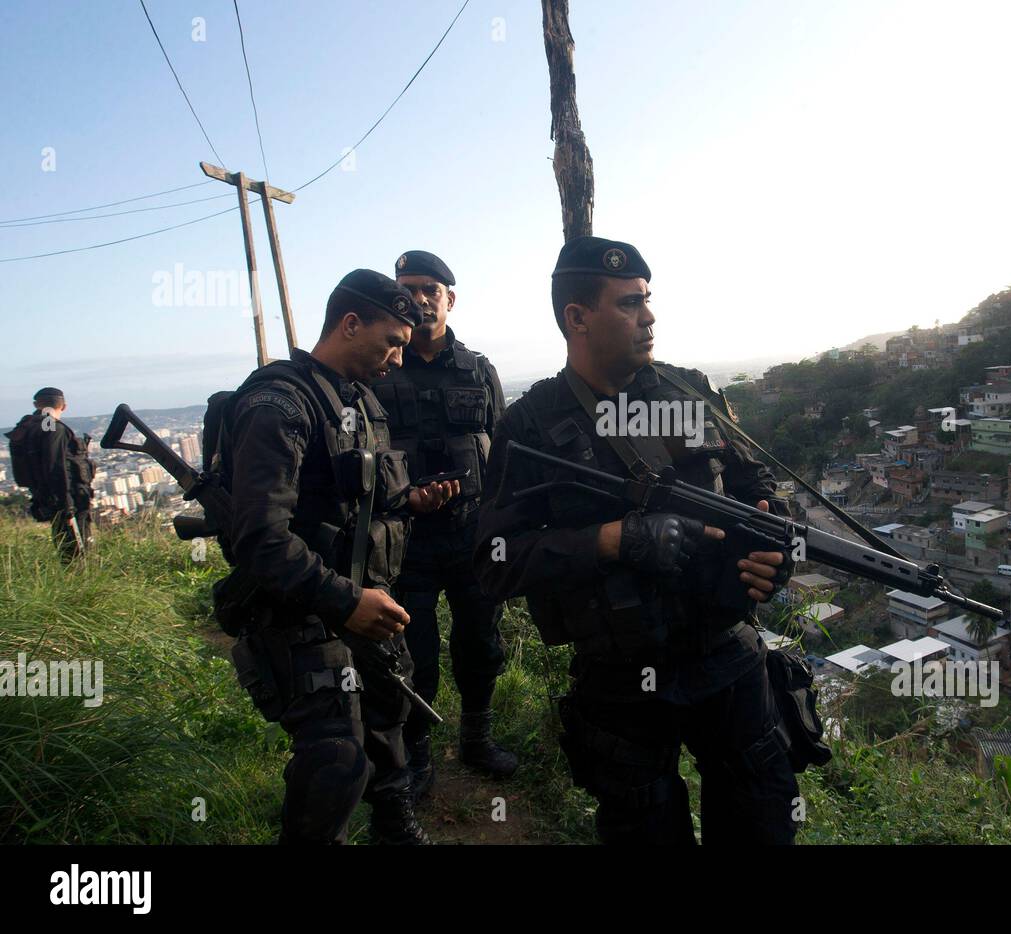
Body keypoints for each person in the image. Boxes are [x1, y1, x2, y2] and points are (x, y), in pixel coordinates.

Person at [472, 236, 799, 844]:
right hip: (621, 678)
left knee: (763, 818)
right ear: (577, 317)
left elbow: (762, 491)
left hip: (726, 656)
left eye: (647, 301)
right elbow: (493, 562)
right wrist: (610, 540)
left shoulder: (690, 392)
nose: (649, 317)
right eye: (628, 304)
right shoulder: (531, 427)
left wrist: (773, 555)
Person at [223, 269, 453, 845]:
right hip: (302, 608)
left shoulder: (362, 403)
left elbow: (362, 499)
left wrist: (413, 501)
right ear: (350, 324)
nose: (399, 358)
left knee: (387, 716)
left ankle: (393, 827)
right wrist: (345, 602)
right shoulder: (280, 404)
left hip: (363, 601)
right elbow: (261, 539)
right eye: (393, 342)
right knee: (336, 756)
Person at [372, 250, 517, 793]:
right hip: (405, 540)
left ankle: (477, 739)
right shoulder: (380, 366)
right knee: (416, 652)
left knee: (481, 643)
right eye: (409, 289)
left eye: (431, 289)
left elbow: (504, 453)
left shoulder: (479, 370)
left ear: (449, 299)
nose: (421, 298)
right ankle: (419, 756)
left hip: (473, 535)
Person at [5, 387, 94, 560]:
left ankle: (74, 576)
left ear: (36, 404)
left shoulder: (28, 428)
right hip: (68, 497)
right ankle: (80, 578)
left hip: (46, 494)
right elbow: (56, 467)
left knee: (65, 544)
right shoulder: (53, 429)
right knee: (77, 547)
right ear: (64, 406)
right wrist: (67, 506)